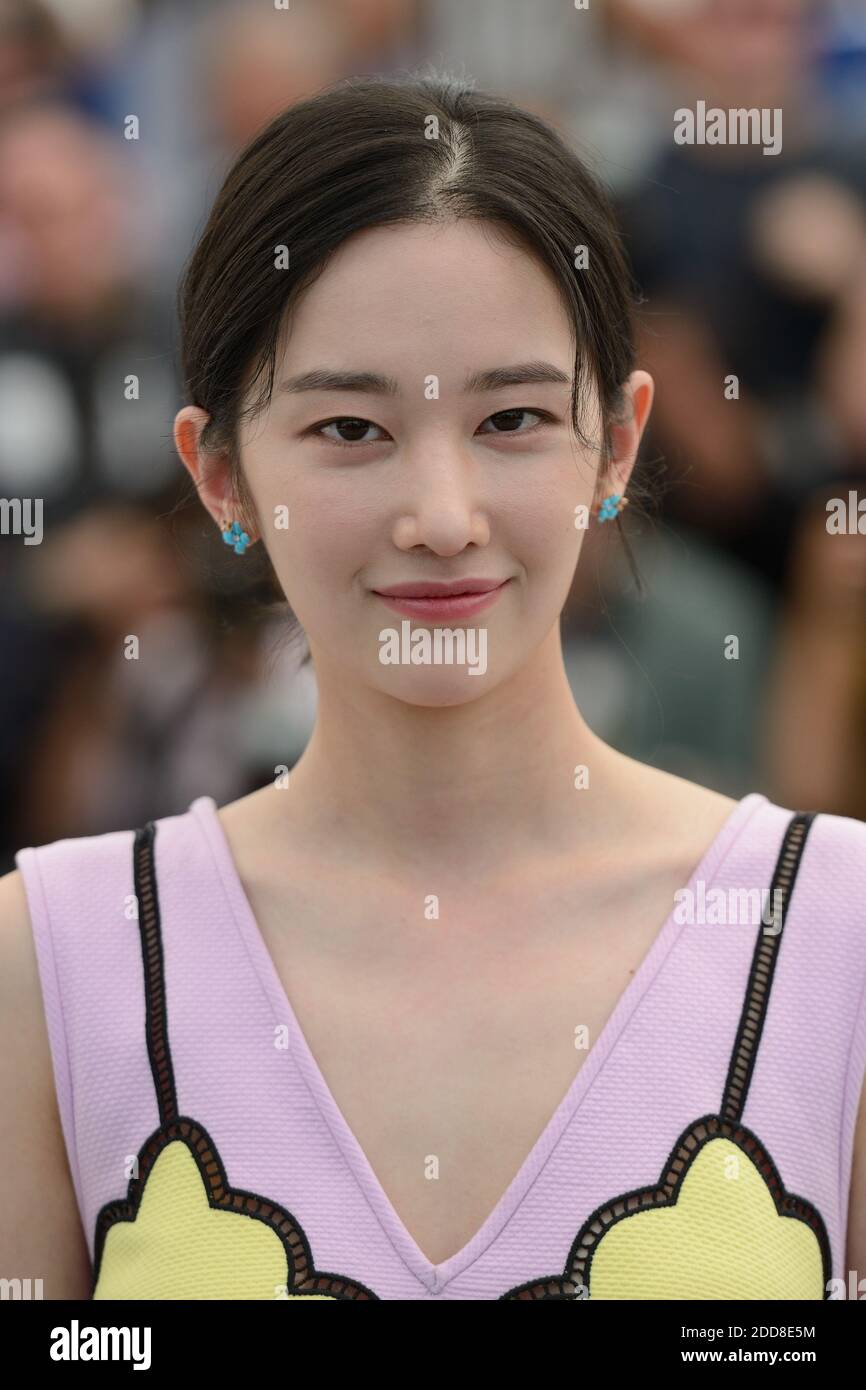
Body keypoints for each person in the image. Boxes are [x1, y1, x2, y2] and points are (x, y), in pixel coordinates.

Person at [2, 70, 865, 1302]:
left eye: (511, 417)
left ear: (615, 444)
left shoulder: (837, 930)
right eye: (348, 431)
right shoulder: (55, 957)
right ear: (219, 476)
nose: (441, 518)